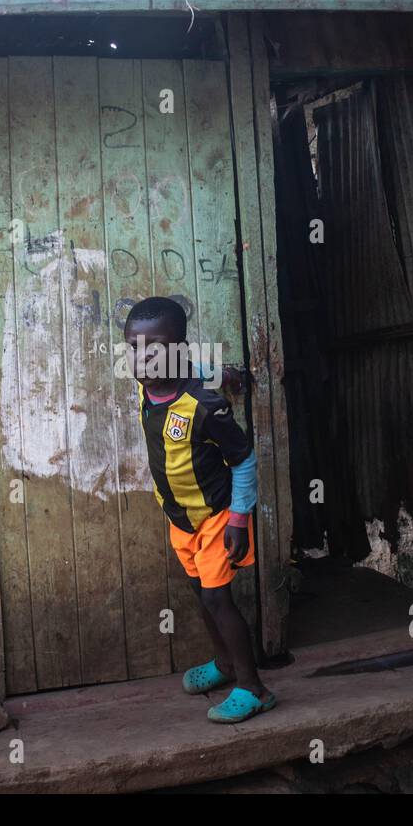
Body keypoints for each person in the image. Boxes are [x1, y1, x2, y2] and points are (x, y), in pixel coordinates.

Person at [122, 296, 276, 723]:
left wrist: (240, 519)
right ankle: (224, 665)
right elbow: (193, 370)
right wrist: (221, 372)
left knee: (217, 597)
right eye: (132, 348)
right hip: (180, 519)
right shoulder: (148, 386)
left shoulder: (206, 408)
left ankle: (253, 687)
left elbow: (243, 459)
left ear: (178, 351)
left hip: (216, 518)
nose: (141, 358)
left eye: (154, 348)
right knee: (198, 593)